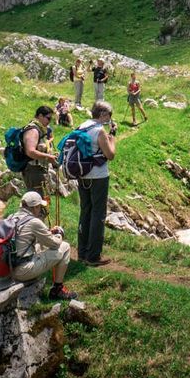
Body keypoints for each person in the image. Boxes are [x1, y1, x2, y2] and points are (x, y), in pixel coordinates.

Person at [10, 191, 77, 301]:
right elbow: (54, 244)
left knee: (40, 244)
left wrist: (48, 233)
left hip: (10, 268)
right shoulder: (34, 222)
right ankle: (58, 289)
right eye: (40, 206)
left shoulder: (12, 217)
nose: (40, 209)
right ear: (35, 207)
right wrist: (59, 234)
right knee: (65, 247)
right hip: (23, 271)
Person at [76, 101, 117, 266]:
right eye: (109, 115)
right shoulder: (99, 130)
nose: (110, 118)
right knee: (98, 214)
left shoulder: (82, 126)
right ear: (102, 114)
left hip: (82, 174)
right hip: (98, 176)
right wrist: (112, 137)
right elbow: (110, 154)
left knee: (85, 211)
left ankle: (82, 252)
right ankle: (93, 256)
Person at [20, 104, 55, 197]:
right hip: (33, 170)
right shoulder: (33, 130)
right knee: (37, 201)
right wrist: (48, 157)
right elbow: (30, 151)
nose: (49, 121)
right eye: (48, 118)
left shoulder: (40, 129)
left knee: (43, 199)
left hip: (39, 170)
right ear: (40, 116)